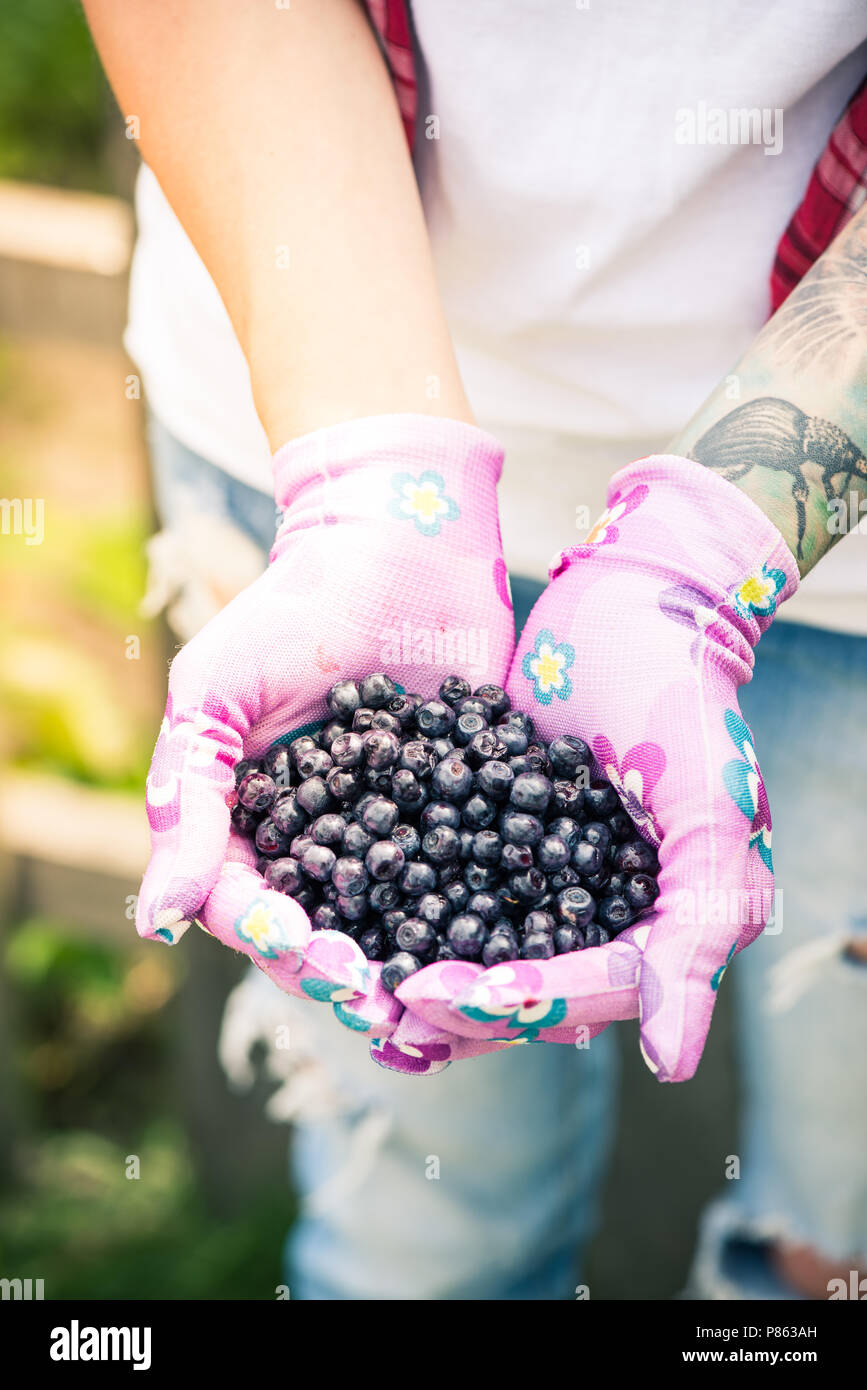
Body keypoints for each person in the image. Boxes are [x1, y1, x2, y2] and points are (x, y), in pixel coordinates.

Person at [82, 0, 867, 1299]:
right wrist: (375, 482)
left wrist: (704, 558)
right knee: (423, 1228)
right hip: (308, 428)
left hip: (838, 557)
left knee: (831, 1245)